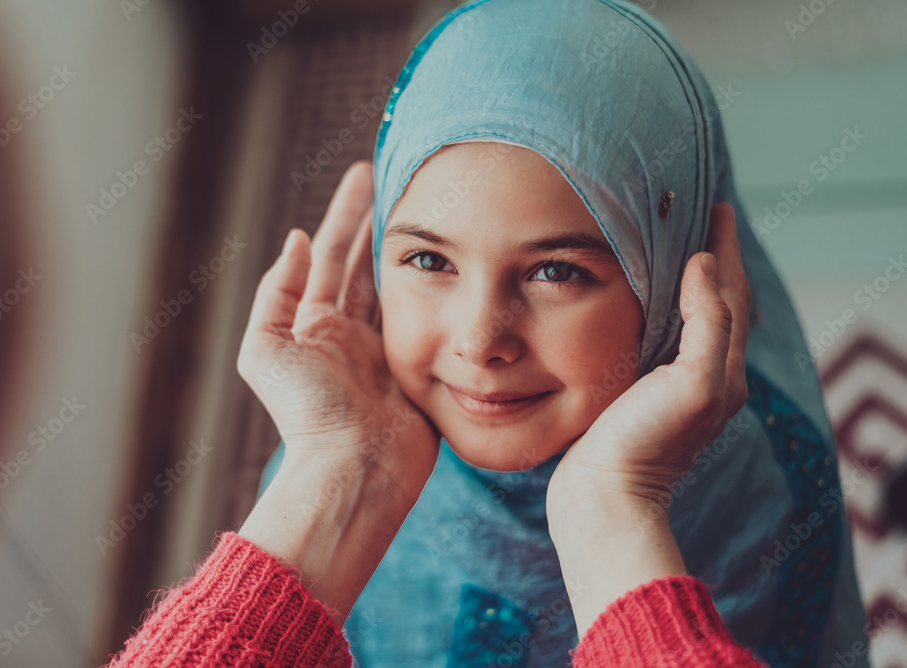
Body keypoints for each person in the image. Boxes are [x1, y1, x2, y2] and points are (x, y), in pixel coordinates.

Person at [108, 0, 869, 665]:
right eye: (429, 258)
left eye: (556, 272)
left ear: (674, 279)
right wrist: (333, 479)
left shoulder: (770, 496)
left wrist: (618, 502)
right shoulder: (324, 476)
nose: (480, 340)